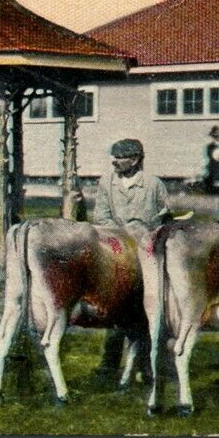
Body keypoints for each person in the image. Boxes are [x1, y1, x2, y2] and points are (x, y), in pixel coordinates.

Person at [91, 138, 170, 384]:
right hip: (118, 253)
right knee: (116, 306)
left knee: (147, 309)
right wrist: (122, 235)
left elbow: (165, 216)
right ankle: (109, 364)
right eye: (113, 157)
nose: (114, 162)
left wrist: (147, 232)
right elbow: (101, 217)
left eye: (120, 157)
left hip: (147, 253)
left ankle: (148, 365)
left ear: (135, 160)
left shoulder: (153, 184)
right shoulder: (107, 183)